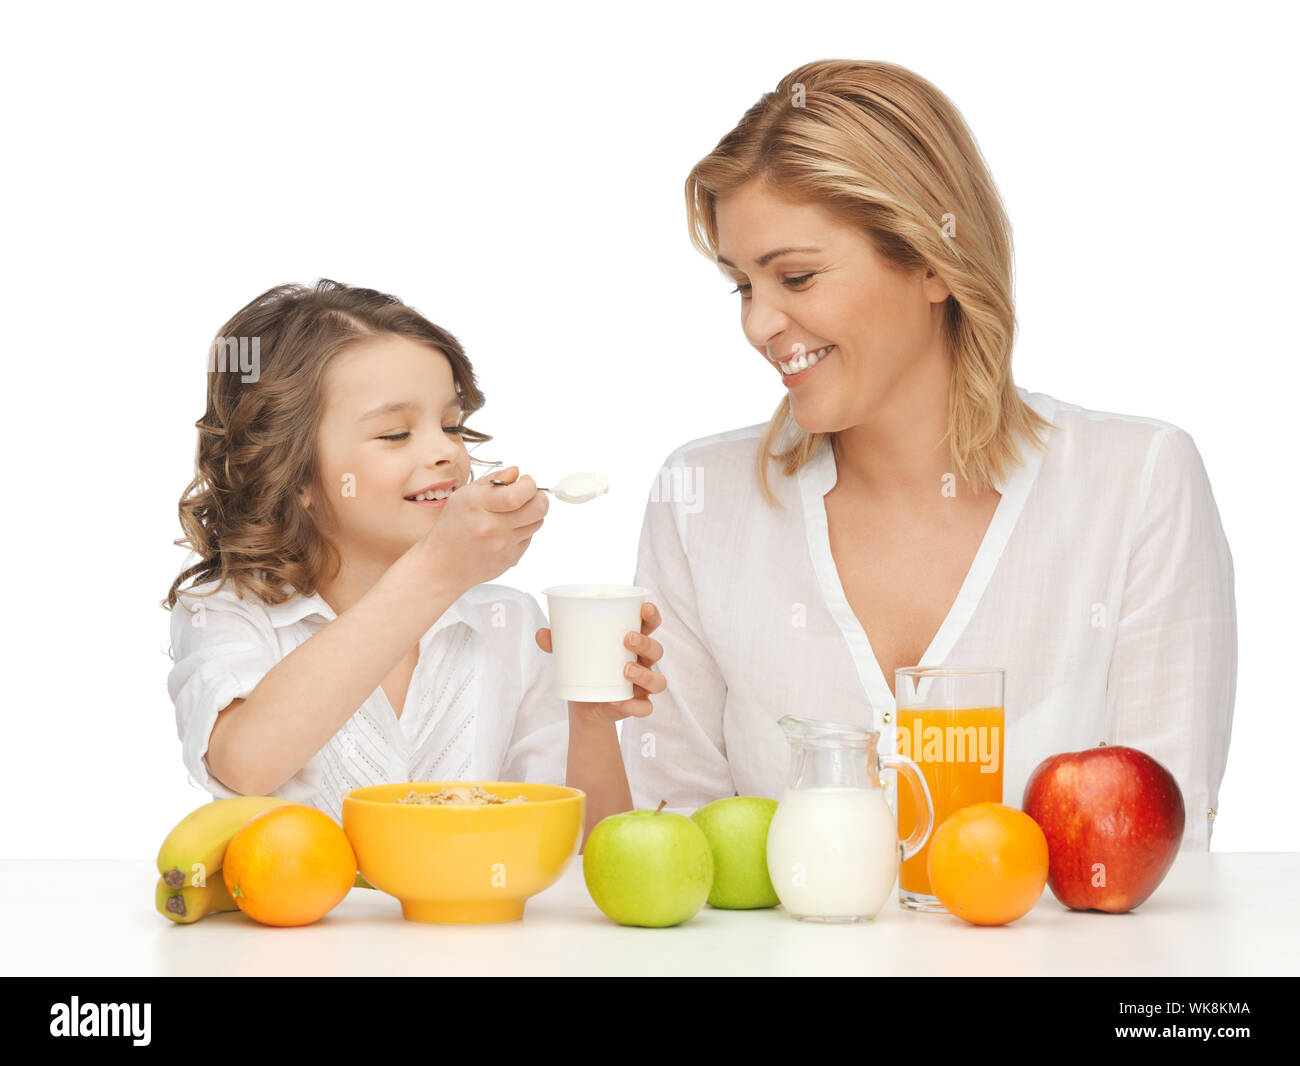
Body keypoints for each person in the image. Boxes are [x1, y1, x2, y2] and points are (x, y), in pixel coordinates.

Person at [620, 60, 1236, 849]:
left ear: (934, 262)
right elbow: (677, 851)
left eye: (797, 277)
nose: (758, 325)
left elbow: (1161, 857)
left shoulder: (1139, 483)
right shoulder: (700, 500)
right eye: (742, 286)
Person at [163, 279, 666, 841]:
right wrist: (437, 569)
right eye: (396, 433)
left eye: (450, 425)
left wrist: (590, 721)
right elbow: (245, 764)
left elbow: (590, 850)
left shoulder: (511, 624)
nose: (445, 451)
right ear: (295, 472)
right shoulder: (227, 614)